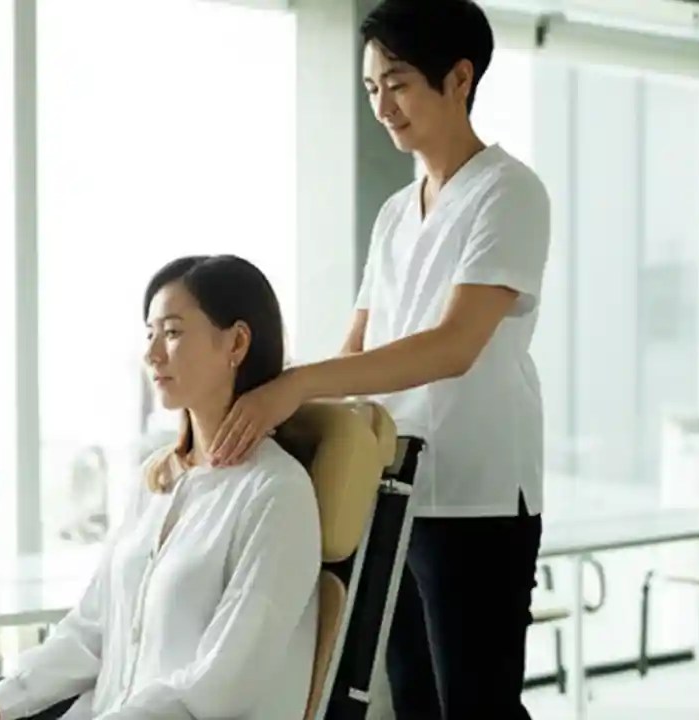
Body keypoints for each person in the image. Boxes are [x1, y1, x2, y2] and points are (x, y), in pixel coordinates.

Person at [206, 1, 551, 717]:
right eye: (371, 90)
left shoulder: (508, 192)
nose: (382, 106)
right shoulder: (396, 211)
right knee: (412, 700)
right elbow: (359, 345)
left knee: (476, 703)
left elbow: (453, 346)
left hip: (477, 495)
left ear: (459, 78)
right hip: (392, 487)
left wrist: (298, 384)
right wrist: (285, 404)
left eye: (397, 83)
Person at [0, 254, 321, 720]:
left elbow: (221, 684)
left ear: (237, 342)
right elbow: (91, 630)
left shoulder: (275, 494)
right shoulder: (156, 482)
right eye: (150, 333)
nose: (152, 353)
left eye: (173, 332)